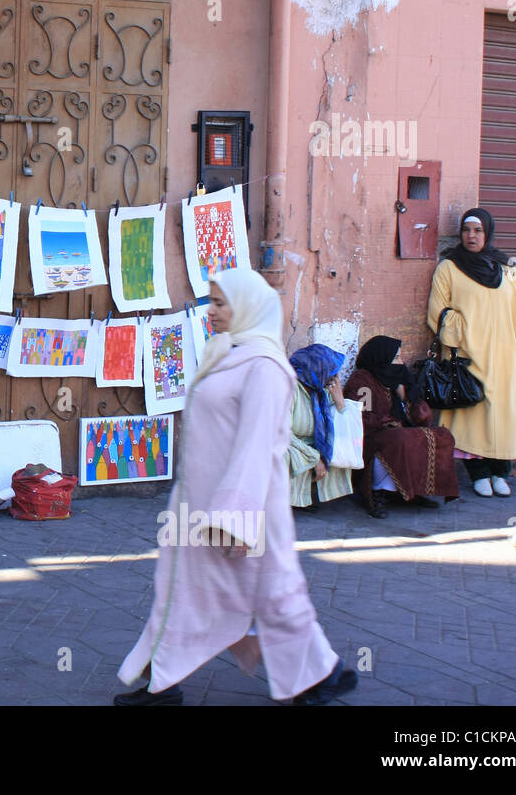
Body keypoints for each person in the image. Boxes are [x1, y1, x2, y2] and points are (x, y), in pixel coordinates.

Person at [114, 267, 356, 706]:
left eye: (221, 302)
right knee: (179, 591)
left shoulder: (265, 367)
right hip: (198, 509)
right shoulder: (225, 352)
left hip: (245, 515)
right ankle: (161, 684)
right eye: (211, 300)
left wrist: (235, 519)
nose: (212, 310)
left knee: (276, 598)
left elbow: (257, 446)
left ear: (247, 306)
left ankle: (319, 674)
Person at [426, 208, 516, 498]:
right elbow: (438, 312)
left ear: (488, 233)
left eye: (478, 231)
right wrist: (463, 334)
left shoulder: (508, 269)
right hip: (468, 357)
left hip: (504, 359)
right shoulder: (449, 268)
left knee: (503, 415)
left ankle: (501, 472)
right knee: (473, 415)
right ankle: (479, 474)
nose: (471, 236)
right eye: (466, 230)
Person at [346, 336, 458, 517]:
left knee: (441, 436)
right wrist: (393, 423)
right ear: (382, 358)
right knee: (399, 438)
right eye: (396, 358)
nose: (402, 362)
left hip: (398, 433)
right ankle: (376, 493)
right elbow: (361, 417)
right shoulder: (363, 381)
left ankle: (414, 490)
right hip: (370, 437)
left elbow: (422, 419)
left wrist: (404, 397)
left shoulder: (399, 379)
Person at [286, 344, 354, 511]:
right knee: (285, 455)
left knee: (339, 444)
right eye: (331, 371)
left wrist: (340, 402)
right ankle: (288, 500)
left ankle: (308, 495)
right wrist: (315, 457)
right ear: (316, 370)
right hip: (290, 443)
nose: (335, 377)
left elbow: (344, 427)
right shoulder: (289, 390)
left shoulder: (320, 392)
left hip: (311, 443)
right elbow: (281, 433)